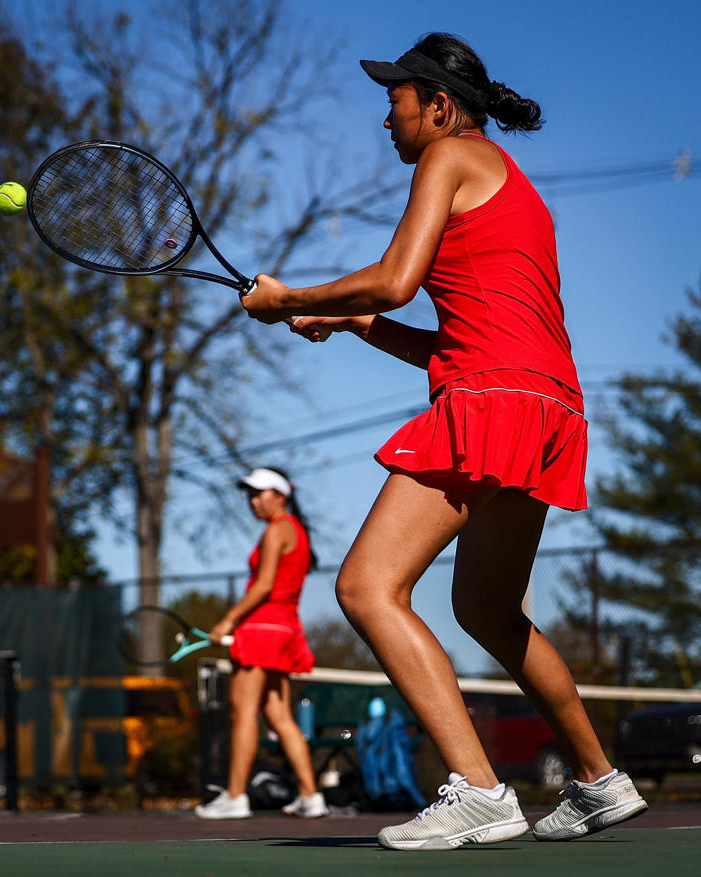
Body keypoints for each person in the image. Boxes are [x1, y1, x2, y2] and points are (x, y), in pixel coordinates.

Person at [239, 33, 647, 850]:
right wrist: (362, 324)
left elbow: (396, 275)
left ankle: (481, 789)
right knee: (488, 610)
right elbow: (458, 338)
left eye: (394, 101)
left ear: (439, 105)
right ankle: (601, 779)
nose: (383, 119)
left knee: (364, 586)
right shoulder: (516, 186)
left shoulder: (448, 157)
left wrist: (289, 299)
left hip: (492, 401)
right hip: (549, 406)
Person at [195, 467, 328, 820]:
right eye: (250, 495)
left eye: (260, 493)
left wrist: (229, 619)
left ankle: (236, 796)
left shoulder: (276, 531)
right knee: (280, 716)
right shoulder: (296, 531)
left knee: (242, 713)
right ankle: (311, 796)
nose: (254, 501)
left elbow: (264, 585)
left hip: (261, 629)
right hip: (285, 631)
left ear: (281, 496)